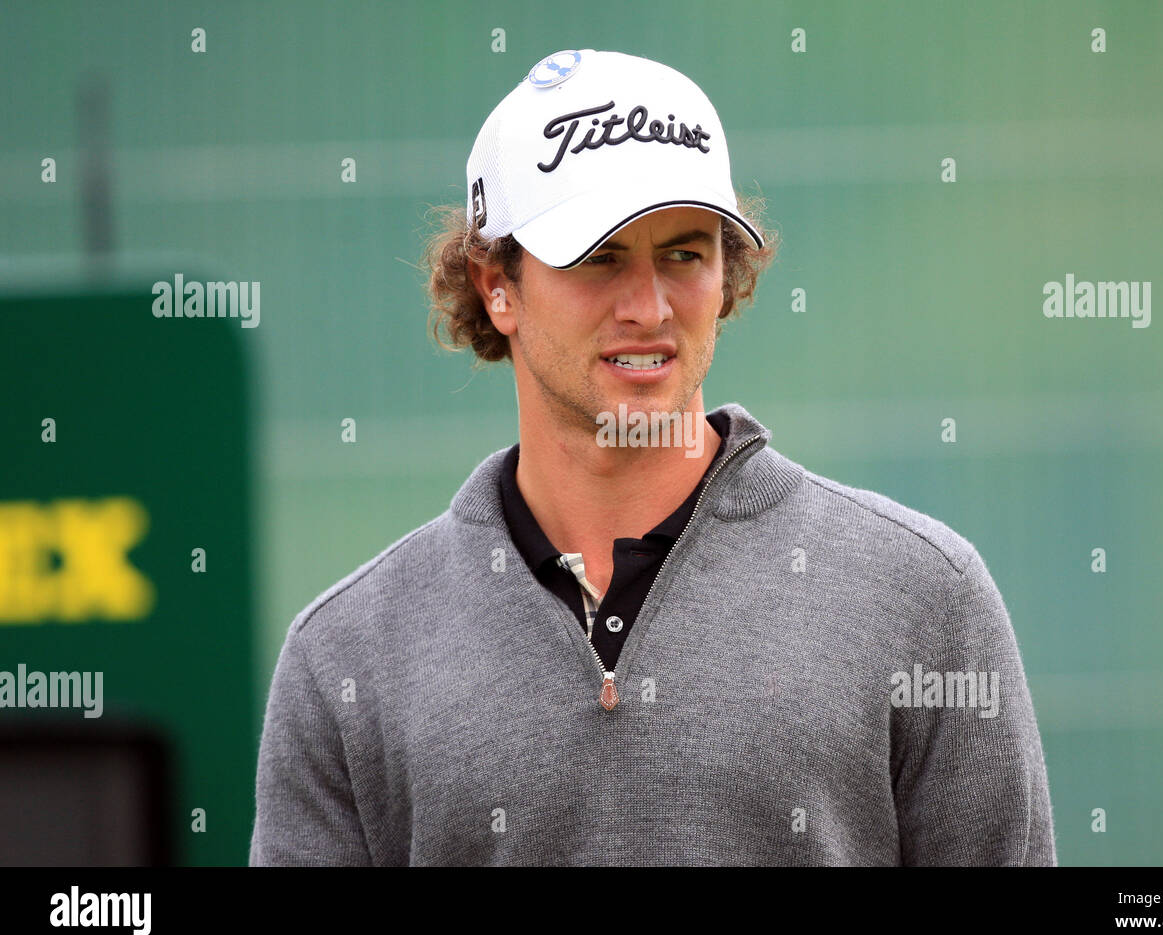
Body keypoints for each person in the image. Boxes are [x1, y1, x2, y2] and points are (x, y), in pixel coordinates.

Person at [250, 48, 1056, 866]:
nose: (649, 307)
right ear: (497, 285)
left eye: (684, 254)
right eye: (599, 259)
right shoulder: (346, 656)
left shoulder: (923, 597)